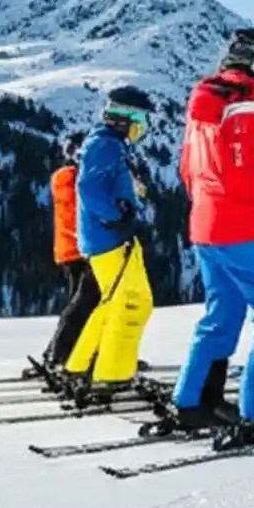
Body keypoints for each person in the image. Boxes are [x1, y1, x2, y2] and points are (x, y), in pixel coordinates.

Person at [168, 27, 254, 434]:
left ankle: (194, 402)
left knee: (222, 312)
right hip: (243, 225)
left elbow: (188, 169)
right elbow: (245, 171)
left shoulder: (206, 100)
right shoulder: (245, 100)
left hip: (204, 224)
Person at [61, 85, 157, 402]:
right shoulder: (106, 145)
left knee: (113, 301)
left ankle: (80, 365)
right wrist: (114, 216)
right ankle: (111, 375)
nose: (143, 128)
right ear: (124, 118)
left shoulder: (107, 143)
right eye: (140, 120)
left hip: (108, 236)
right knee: (132, 302)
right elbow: (88, 187)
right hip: (108, 238)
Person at [40, 132, 102, 370]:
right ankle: (60, 353)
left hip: (77, 249)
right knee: (83, 302)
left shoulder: (71, 177)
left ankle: (73, 352)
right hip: (79, 250)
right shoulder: (69, 178)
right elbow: (77, 212)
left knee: (84, 302)